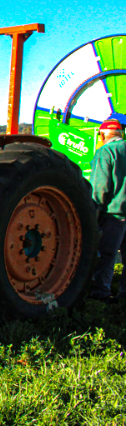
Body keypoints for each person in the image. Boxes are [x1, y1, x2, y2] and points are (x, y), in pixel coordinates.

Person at [89, 118, 126, 302]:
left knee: (106, 257)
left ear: (102, 135)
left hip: (113, 215)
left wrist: (93, 213)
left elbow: (100, 188)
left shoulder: (106, 152)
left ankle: (100, 296)